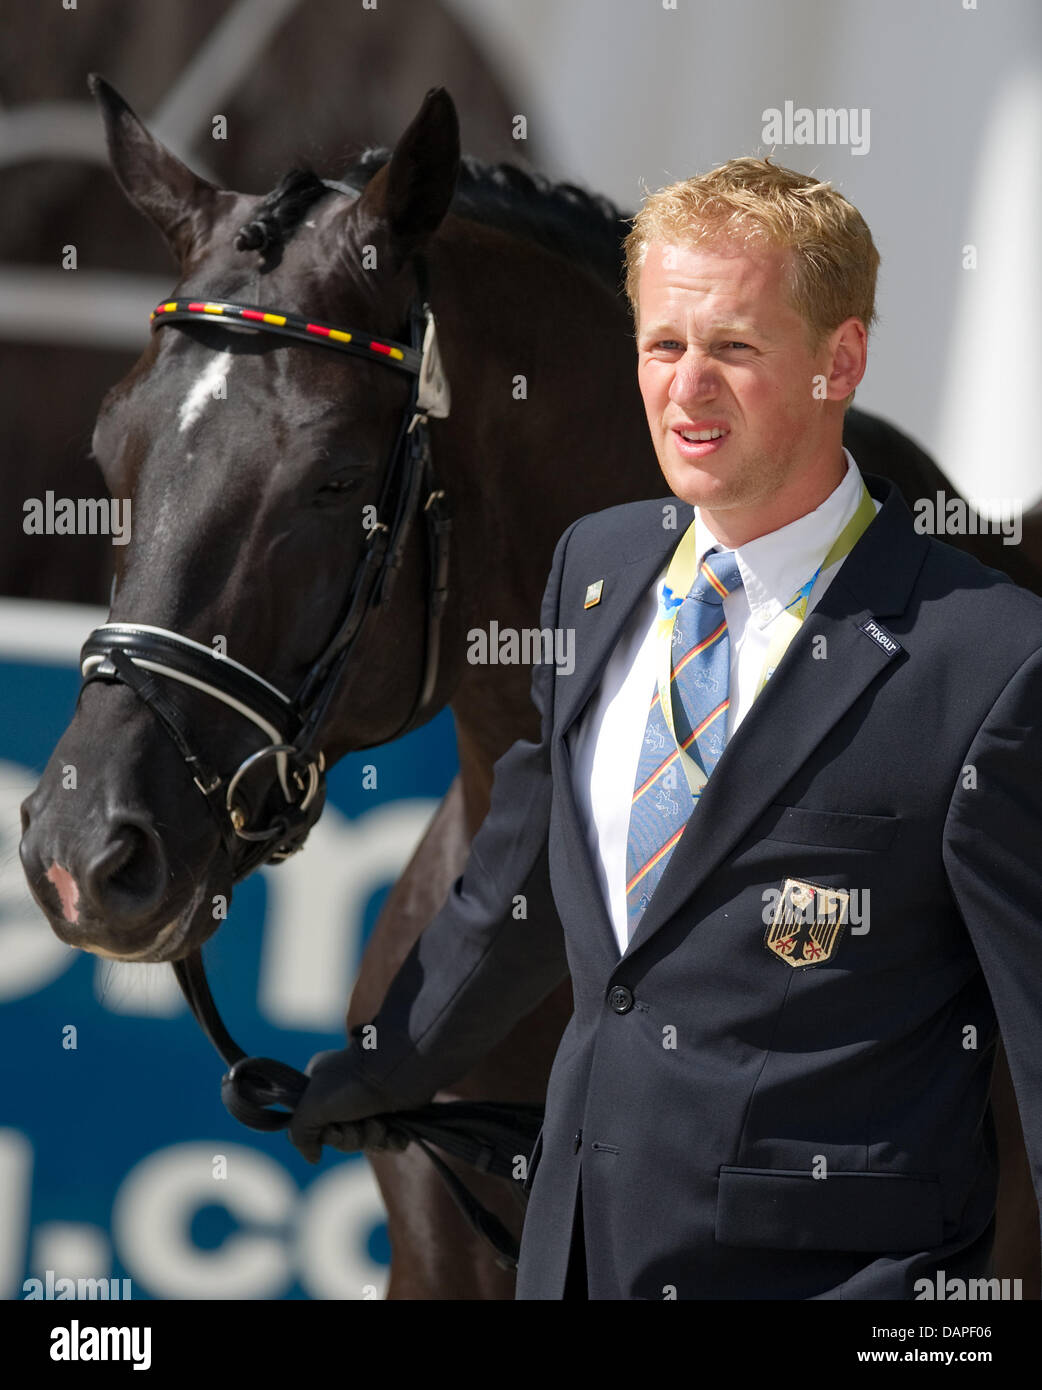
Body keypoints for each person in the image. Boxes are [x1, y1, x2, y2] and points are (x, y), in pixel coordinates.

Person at [288, 158, 1042, 1300]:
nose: (686, 390)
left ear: (839, 359)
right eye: (661, 345)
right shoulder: (593, 570)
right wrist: (386, 1064)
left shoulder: (994, 655)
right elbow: (530, 871)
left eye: (733, 347)